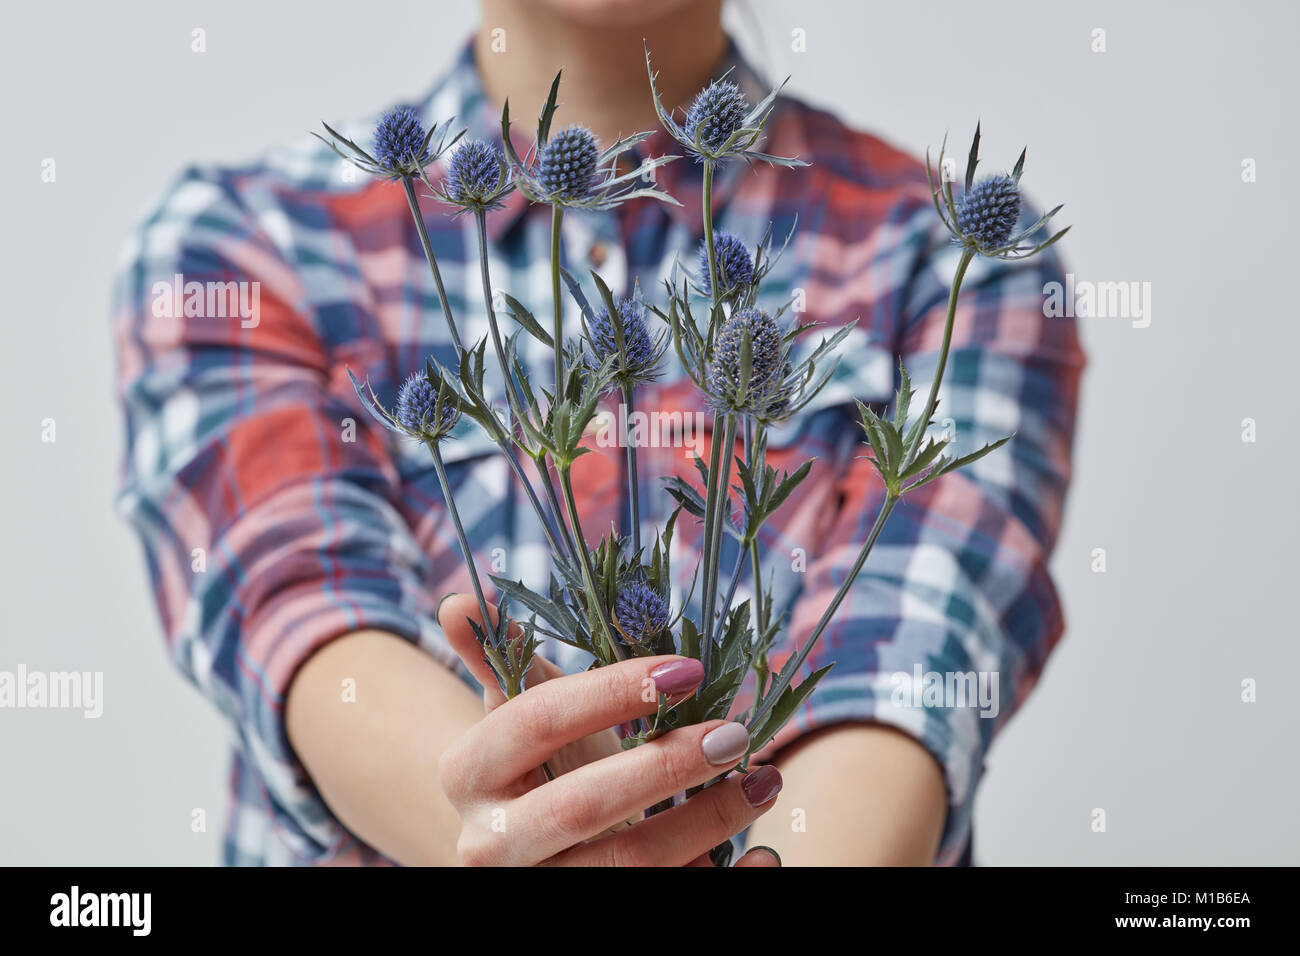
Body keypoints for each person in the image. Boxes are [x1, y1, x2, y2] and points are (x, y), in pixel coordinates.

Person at [112, 0, 1083, 866]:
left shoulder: (945, 256)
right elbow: (303, 613)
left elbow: (907, 656)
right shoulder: (241, 243)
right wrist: (505, 828)